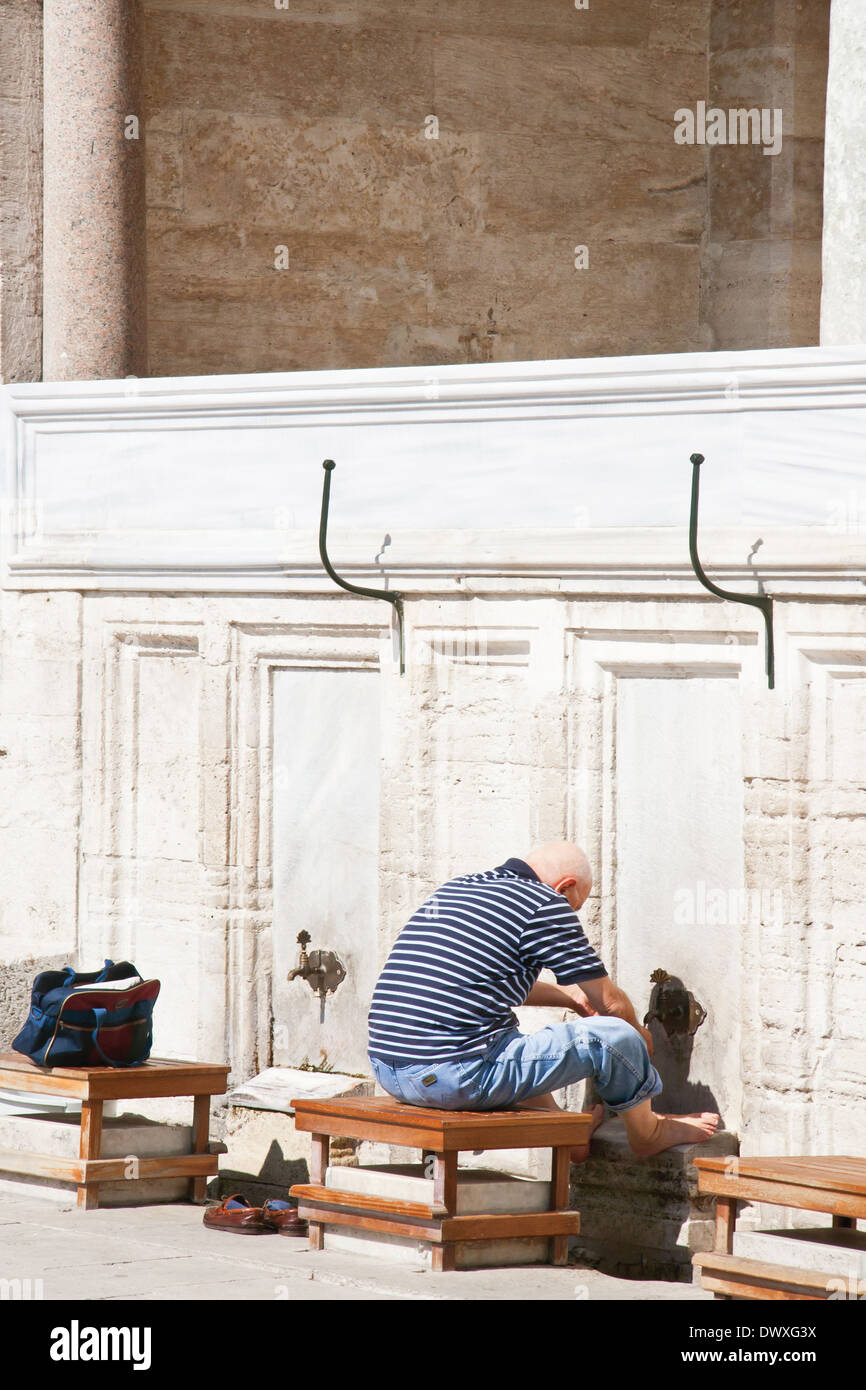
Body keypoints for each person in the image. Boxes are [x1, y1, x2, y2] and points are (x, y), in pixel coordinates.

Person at [367, 842, 719, 1162]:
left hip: (390, 1070)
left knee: (505, 1037)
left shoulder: (459, 889)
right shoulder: (543, 903)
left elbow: (483, 983)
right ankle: (648, 1131)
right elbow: (610, 1003)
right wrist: (638, 1036)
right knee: (614, 1037)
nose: (572, 915)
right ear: (565, 886)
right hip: (452, 1077)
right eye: (575, 905)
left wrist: (570, 996)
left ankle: (567, 1135)